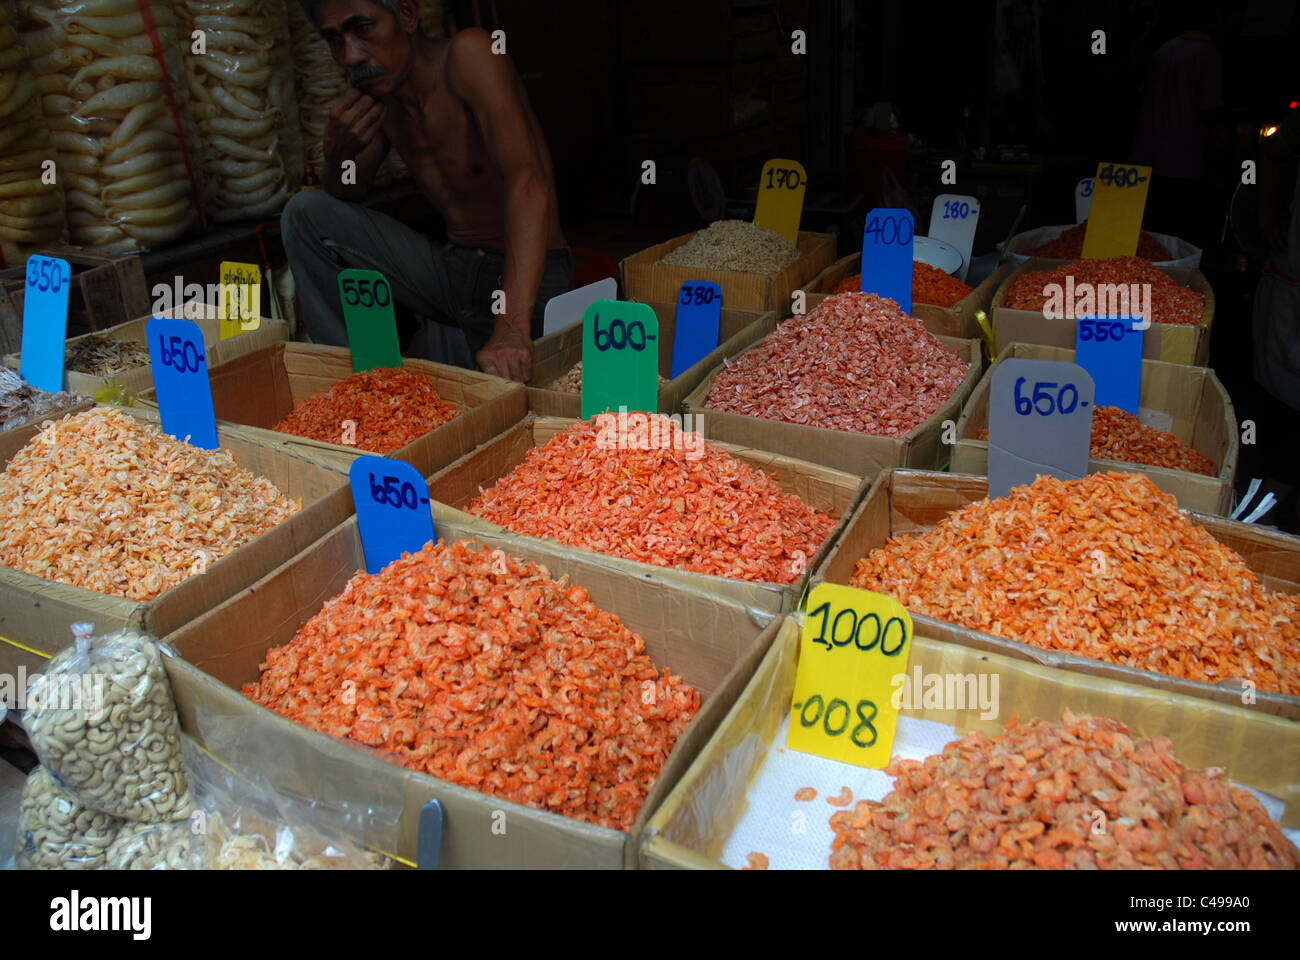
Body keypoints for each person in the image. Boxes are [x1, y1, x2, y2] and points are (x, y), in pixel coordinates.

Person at [283, 0, 572, 382]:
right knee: (305, 212)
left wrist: (513, 325)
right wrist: (339, 156)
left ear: (406, 15)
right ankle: (353, 388)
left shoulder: (469, 55)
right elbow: (345, 195)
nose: (350, 55)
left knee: (524, 407)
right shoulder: (378, 95)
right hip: (455, 271)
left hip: (526, 275)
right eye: (334, 40)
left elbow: (528, 180)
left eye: (363, 28)